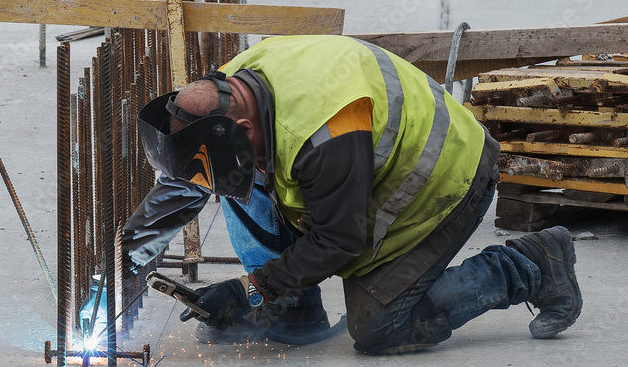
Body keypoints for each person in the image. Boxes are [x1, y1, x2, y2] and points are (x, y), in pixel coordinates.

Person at [124, 35, 582, 353]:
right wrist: (131, 258)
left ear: (240, 128)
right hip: (361, 170)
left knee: (379, 329)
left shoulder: (324, 134)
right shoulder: (226, 89)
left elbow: (338, 241)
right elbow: (189, 178)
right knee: (243, 182)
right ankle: (293, 314)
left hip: (442, 180)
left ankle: (531, 264)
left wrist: (251, 290)